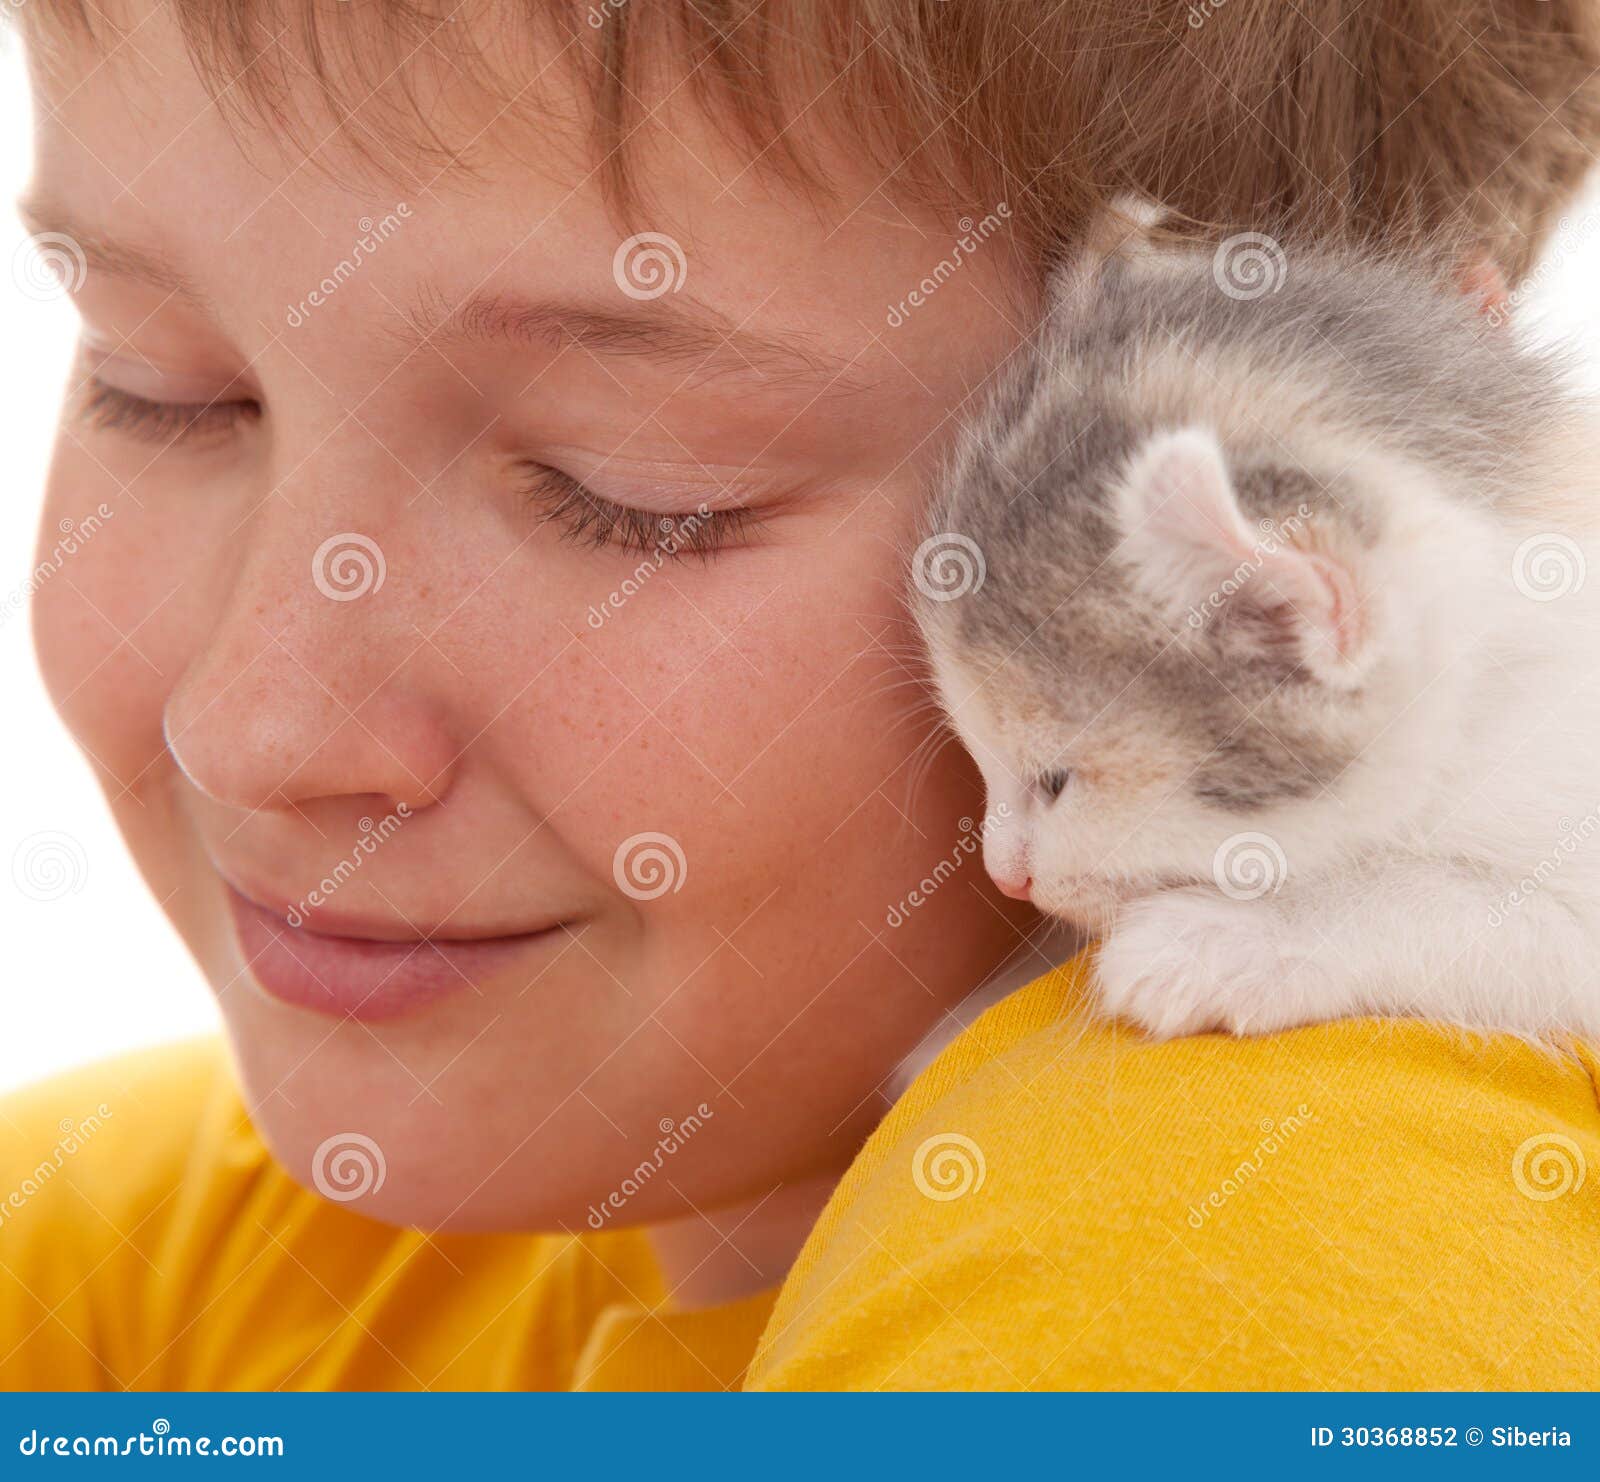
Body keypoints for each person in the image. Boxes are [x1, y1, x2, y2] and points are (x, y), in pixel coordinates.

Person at [2, 0, 1597, 1391]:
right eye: (161, 390)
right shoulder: (184, 1259)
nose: (255, 727)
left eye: (632, 491)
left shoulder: (1225, 1278)